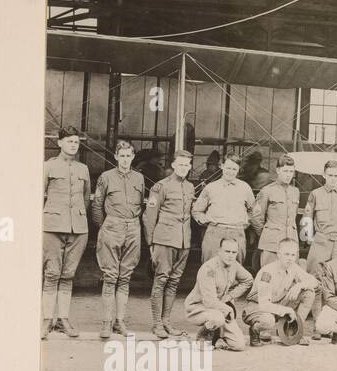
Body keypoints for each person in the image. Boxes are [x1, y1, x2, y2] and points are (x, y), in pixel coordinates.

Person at [90, 140, 147, 338]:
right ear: (116, 157)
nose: (125, 160)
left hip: (133, 227)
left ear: (133, 157)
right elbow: (97, 205)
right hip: (111, 226)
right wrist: (104, 227)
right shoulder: (106, 177)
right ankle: (106, 322)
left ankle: (119, 321)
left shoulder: (139, 178)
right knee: (110, 276)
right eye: (121, 156)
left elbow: (141, 204)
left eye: (128, 156)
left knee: (125, 277)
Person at [42, 125, 92, 338]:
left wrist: (77, 217)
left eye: (76, 142)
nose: (73, 145)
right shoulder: (48, 166)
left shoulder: (83, 169)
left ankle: (63, 319)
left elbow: (86, 197)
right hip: (52, 226)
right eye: (69, 141)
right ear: (59, 143)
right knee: (52, 274)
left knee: (68, 275)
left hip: (78, 228)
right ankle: (46, 320)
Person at [143, 148, 196, 339]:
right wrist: (151, 243)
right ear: (173, 165)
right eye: (180, 164)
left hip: (183, 241)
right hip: (164, 239)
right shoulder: (160, 187)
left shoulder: (190, 187)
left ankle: (166, 321)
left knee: (174, 282)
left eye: (186, 165)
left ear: (190, 167)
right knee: (161, 280)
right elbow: (149, 216)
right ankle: (157, 323)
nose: (183, 168)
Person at [301, 159, 337, 335]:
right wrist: (310, 240)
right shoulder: (315, 194)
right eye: (330, 175)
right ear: (324, 175)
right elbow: (307, 218)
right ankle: (317, 323)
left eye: (336, 175)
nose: (333, 178)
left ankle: (331, 324)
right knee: (316, 281)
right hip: (321, 241)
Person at [184, 236, 253, 352]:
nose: (230, 255)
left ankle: (216, 335)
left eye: (234, 252)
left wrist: (230, 296)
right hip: (198, 308)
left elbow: (248, 280)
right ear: (219, 251)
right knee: (218, 318)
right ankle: (202, 336)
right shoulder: (209, 269)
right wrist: (227, 308)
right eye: (227, 251)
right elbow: (209, 301)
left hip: (219, 308)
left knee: (239, 345)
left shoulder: (234, 265)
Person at [243, 240, 317, 346]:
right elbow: (264, 305)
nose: (290, 258)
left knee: (309, 292)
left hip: (278, 303)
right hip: (257, 307)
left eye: (293, 255)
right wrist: (287, 310)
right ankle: (255, 330)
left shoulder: (293, 267)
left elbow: (314, 281)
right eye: (286, 254)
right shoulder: (267, 272)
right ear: (278, 254)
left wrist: (299, 285)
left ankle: (293, 330)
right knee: (268, 321)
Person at [192, 152, 255, 265]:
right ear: (222, 166)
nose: (231, 172)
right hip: (215, 232)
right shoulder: (211, 188)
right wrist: (207, 222)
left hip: (236, 232)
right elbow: (197, 211)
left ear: (238, 170)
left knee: (235, 268)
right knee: (210, 267)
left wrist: (245, 223)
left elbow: (253, 210)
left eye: (234, 169)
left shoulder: (245, 188)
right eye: (228, 168)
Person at [250, 156, 301, 268]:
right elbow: (256, 217)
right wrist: (267, 233)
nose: (288, 175)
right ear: (278, 170)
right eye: (285, 171)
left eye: (291, 171)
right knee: (270, 274)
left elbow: (293, 217)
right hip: (272, 245)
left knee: (290, 275)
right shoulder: (267, 190)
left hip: (291, 243)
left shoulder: (295, 191)